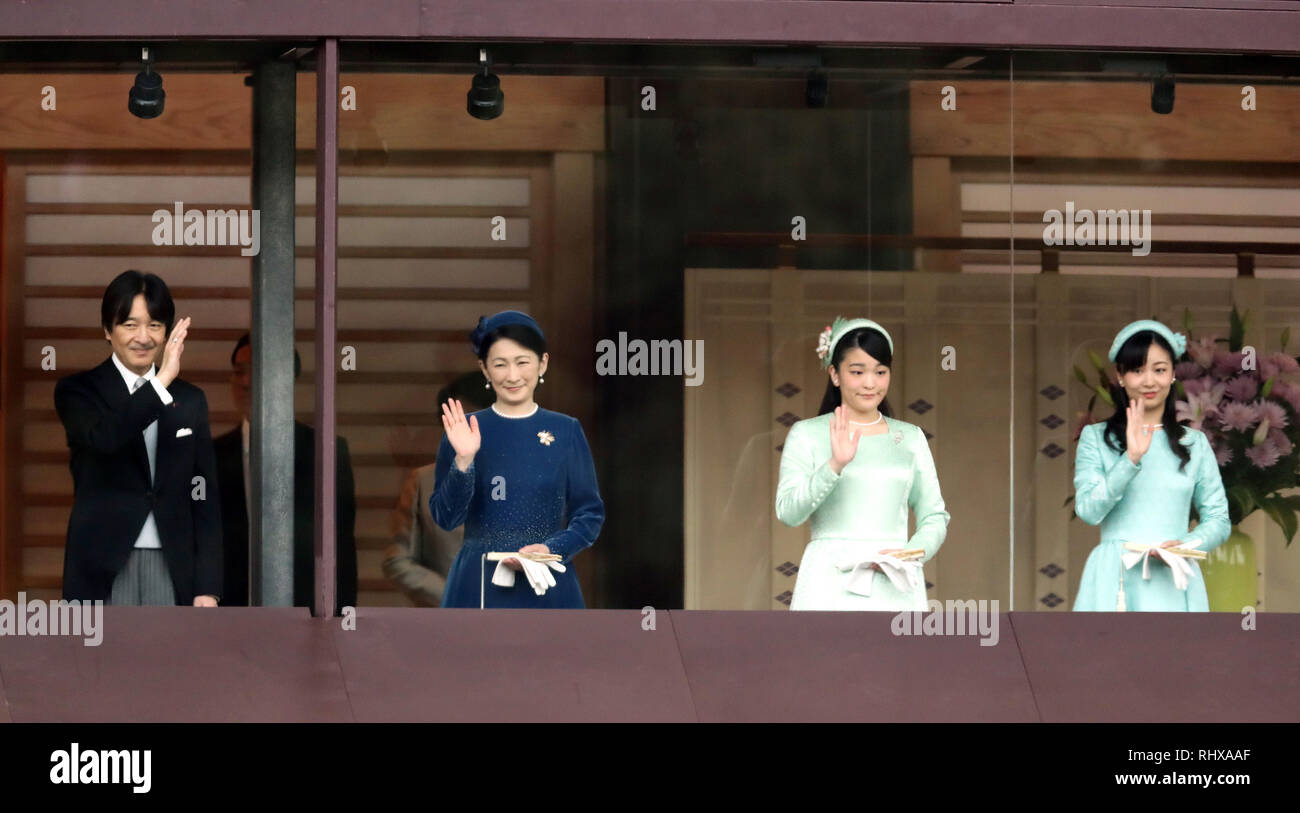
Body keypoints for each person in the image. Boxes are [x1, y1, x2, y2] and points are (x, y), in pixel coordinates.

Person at [54, 270, 222, 606]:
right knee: (105, 659)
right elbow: (105, 438)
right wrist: (160, 385)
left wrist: (208, 585)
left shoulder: (190, 400)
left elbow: (204, 495)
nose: (143, 337)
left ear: (168, 332)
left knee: (167, 658)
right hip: (103, 564)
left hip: (173, 563)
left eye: (155, 325)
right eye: (130, 325)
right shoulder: (78, 392)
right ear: (107, 330)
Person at [431, 310, 604, 608]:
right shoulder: (462, 430)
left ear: (542, 363)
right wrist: (463, 460)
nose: (512, 376)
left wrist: (552, 549)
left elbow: (589, 514)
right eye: (500, 364)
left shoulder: (566, 430)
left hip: (546, 577)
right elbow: (446, 518)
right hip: (477, 580)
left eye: (522, 362)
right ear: (485, 370)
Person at [775, 317, 949, 611]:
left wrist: (906, 556)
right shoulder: (807, 434)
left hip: (895, 584)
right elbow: (788, 512)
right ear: (835, 374)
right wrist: (834, 464)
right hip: (827, 585)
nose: (870, 383)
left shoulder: (909, 438)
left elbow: (935, 516)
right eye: (857, 371)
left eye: (880, 372)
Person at [1073, 319, 1230, 611]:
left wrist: (1185, 546)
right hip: (1115, 579)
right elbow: (1088, 511)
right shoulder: (1094, 438)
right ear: (1120, 376)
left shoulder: (1194, 443)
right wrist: (1130, 459)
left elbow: (1219, 519)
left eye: (1159, 370)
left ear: (1172, 375)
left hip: (1174, 576)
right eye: (1137, 370)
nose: (1149, 381)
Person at [212, 333, 357, 614]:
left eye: (255, 372)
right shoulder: (211, 455)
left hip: (306, 612)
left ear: (286, 379)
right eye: (238, 372)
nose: (244, 382)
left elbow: (341, 546)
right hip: (228, 615)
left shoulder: (326, 452)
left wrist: (341, 616)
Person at [384, 372, 492, 607]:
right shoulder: (424, 480)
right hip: (444, 625)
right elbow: (398, 561)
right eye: (457, 423)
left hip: (517, 624)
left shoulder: (528, 479)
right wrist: (451, 595)